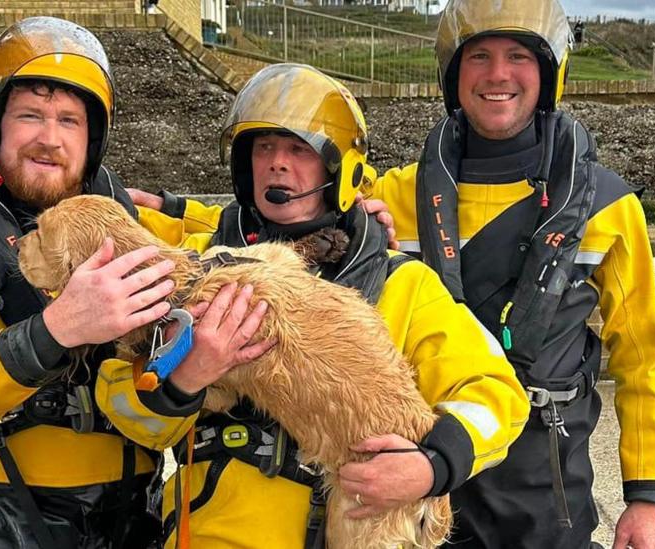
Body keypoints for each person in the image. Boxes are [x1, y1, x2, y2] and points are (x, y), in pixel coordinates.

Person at [96, 63, 530, 548]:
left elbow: (496, 394)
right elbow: (122, 409)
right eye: (263, 148)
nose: (277, 163)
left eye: (299, 148)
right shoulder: (193, 273)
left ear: (339, 169)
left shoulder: (400, 283)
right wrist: (183, 380)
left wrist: (432, 466)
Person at [0, 17, 259, 548]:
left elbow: (262, 218)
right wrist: (58, 326)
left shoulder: (137, 226)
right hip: (2, 516)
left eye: (69, 120)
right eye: (29, 116)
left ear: (93, 140)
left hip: (131, 512)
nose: (50, 139)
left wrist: (357, 211)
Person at [362, 1, 655, 547]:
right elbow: (290, 209)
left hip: (547, 488)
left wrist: (645, 497)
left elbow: (643, 355)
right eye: (479, 56)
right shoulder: (393, 197)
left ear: (550, 72)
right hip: (422, 475)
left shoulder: (607, 205)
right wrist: (172, 212)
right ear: (453, 75)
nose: (498, 74)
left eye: (518, 56)